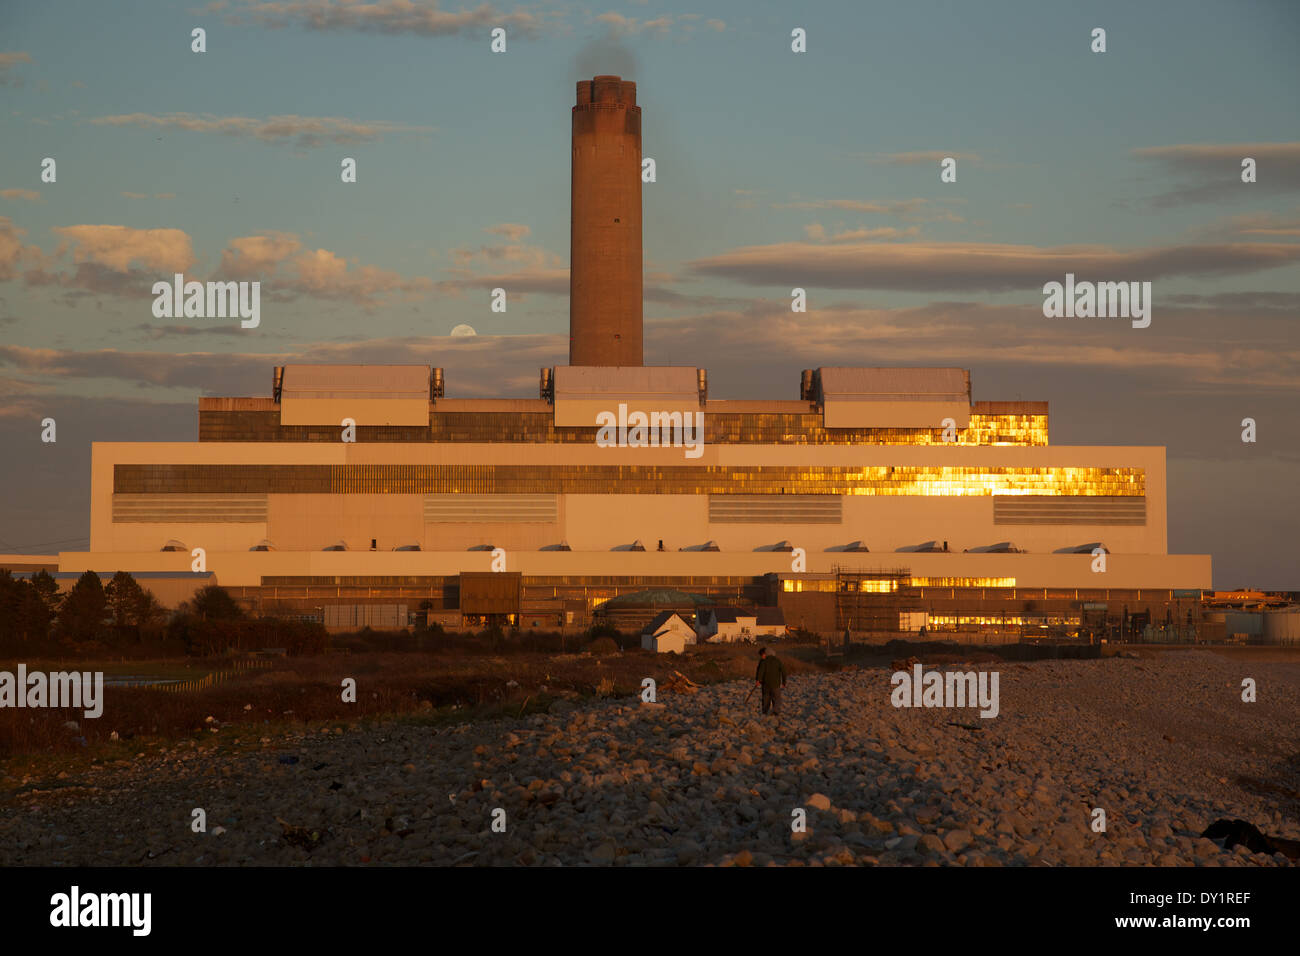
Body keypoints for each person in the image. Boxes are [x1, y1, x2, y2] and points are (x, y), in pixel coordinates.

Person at [754, 646, 786, 716]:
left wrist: (758, 680)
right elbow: (784, 672)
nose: (762, 656)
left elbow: (760, 671)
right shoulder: (778, 661)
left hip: (765, 684)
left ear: (766, 653)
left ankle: (765, 711)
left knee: (766, 698)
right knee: (777, 699)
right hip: (776, 684)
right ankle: (775, 711)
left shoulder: (763, 661)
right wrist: (784, 682)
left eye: (762, 655)